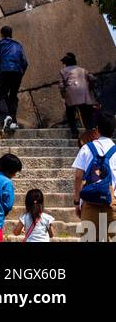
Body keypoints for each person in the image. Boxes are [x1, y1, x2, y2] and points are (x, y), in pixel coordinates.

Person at [72, 112, 116, 242]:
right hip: (113, 204)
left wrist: (77, 202)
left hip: (90, 203)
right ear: (113, 130)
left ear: (97, 130)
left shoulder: (86, 148)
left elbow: (78, 177)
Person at [0, 26, 28, 127]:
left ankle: (7, 116)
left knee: (1, 95)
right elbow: (25, 62)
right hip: (17, 72)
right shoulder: (18, 45)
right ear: (11, 34)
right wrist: (21, 73)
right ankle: (13, 121)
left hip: (4, 71)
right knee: (13, 95)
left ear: (2, 34)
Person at [59, 53, 96, 139]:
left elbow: (61, 86)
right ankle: (90, 132)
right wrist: (89, 87)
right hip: (84, 95)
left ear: (65, 63)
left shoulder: (62, 71)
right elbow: (93, 79)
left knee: (70, 114)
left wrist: (64, 96)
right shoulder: (82, 70)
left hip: (71, 96)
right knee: (87, 115)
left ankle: (74, 133)